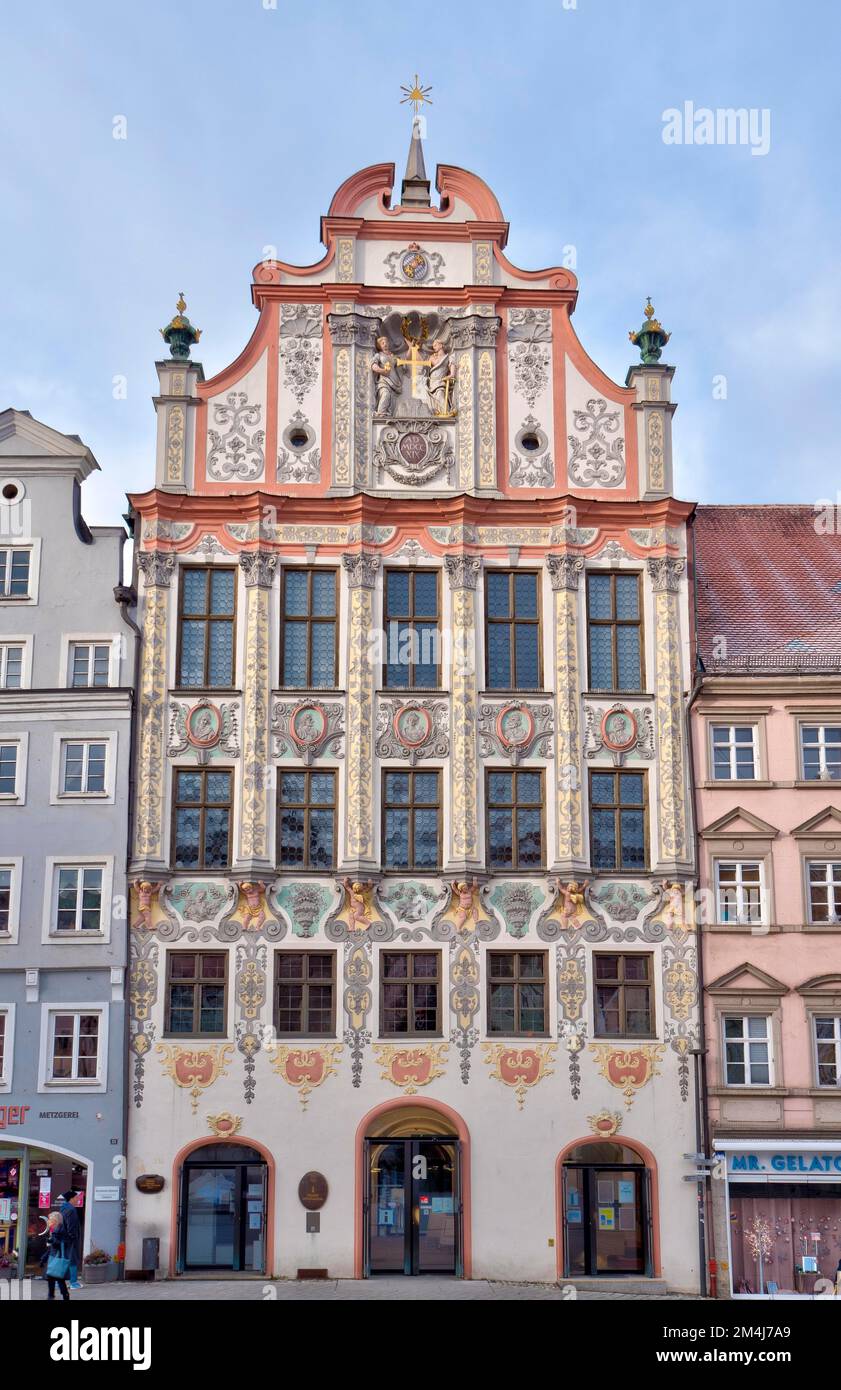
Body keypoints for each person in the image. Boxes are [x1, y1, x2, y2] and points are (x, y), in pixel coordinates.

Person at [58, 1190, 83, 1289]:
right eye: (76, 1198)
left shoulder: (63, 1208)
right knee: (72, 1260)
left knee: (63, 1260)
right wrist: (73, 1237)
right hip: (70, 1240)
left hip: (63, 1238)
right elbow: (71, 1226)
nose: (78, 1200)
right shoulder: (71, 1210)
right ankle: (73, 1283)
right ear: (71, 1199)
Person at [44, 1212, 70, 1301]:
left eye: (51, 1219)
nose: (49, 1221)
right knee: (53, 1277)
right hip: (54, 1255)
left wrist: (52, 1241)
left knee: (58, 1277)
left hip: (58, 1257)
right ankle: (52, 1296)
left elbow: (63, 1243)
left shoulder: (60, 1229)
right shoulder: (55, 1229)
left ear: (56, 1220)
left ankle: (63, 1296)